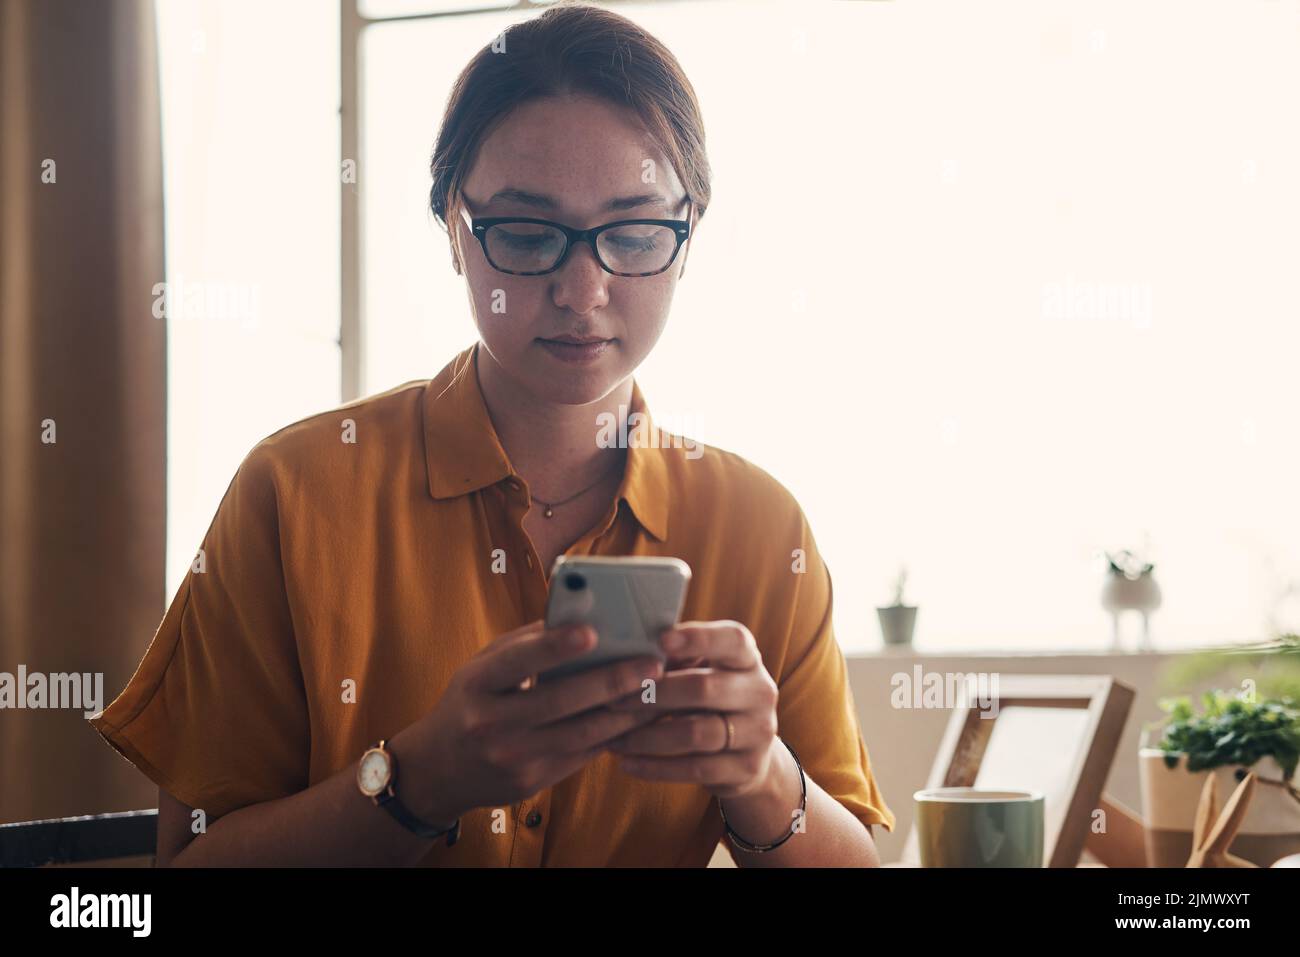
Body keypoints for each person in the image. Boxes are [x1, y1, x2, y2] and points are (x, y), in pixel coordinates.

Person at [88, 0, 894, 867]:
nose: (583, 290)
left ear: (688, 234)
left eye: (631, 231)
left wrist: (761, 774)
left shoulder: (760, 529)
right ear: (452, 227)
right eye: (523, 232)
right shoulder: (293, 495)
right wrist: (416, 780)